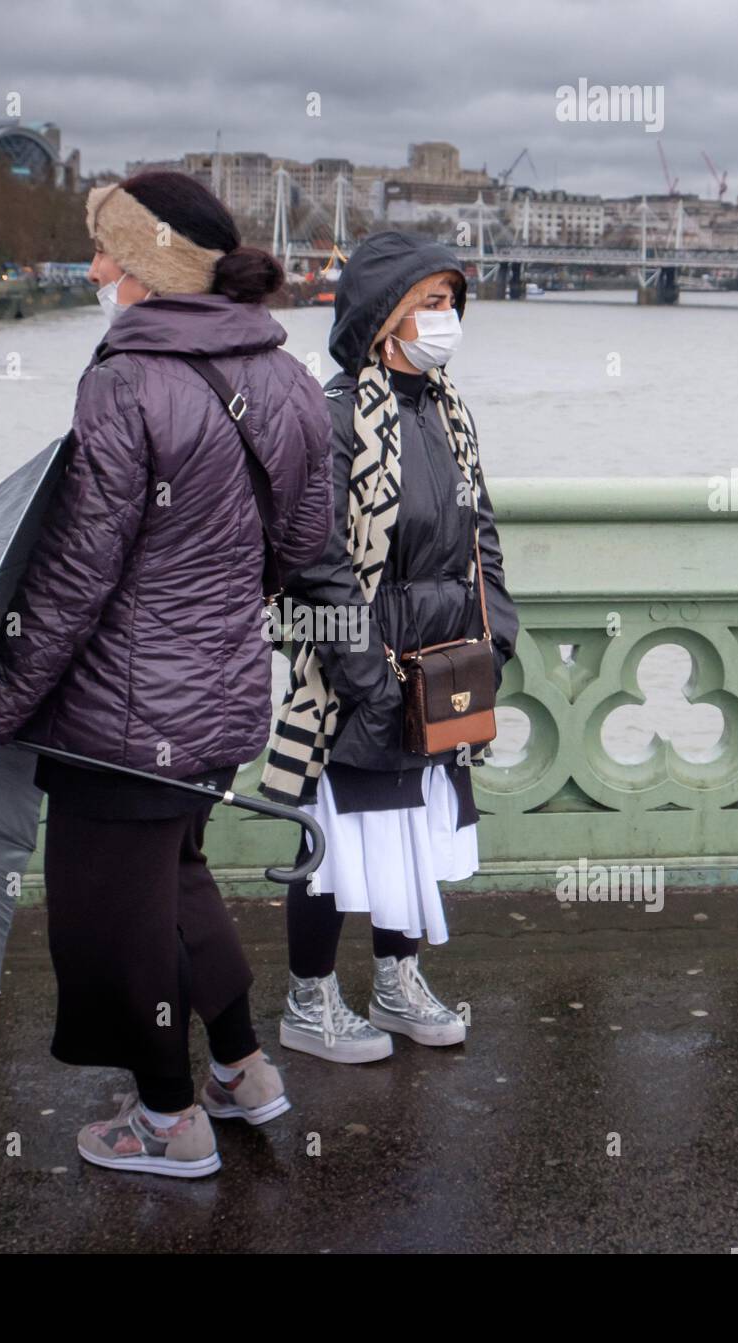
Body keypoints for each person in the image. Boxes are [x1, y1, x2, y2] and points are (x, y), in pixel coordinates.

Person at [0, 171, 333, 1177]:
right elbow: (298, 538)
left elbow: (76, 574)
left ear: (151, 265)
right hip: (220, 691)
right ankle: (242, 1070)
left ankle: (166, 1119)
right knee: (177, 881)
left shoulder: (123, 380)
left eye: (108, 251)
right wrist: (204, 609)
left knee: (116, 920)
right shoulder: (288, 375)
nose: (94, 267)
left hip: (119, 713)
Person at [262, 232, 518, 1063]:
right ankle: (310, 998)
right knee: (335, 840)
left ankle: (397, 979)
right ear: (384, 321)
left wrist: (498, 629)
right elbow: (312, 556)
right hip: (360, 671)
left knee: (412, 833)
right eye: (429, 304)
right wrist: (364, 671)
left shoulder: (450, 412)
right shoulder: (334, 416)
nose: (446, 320)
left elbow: (481, 532)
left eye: (451, 303)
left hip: (438, 665)